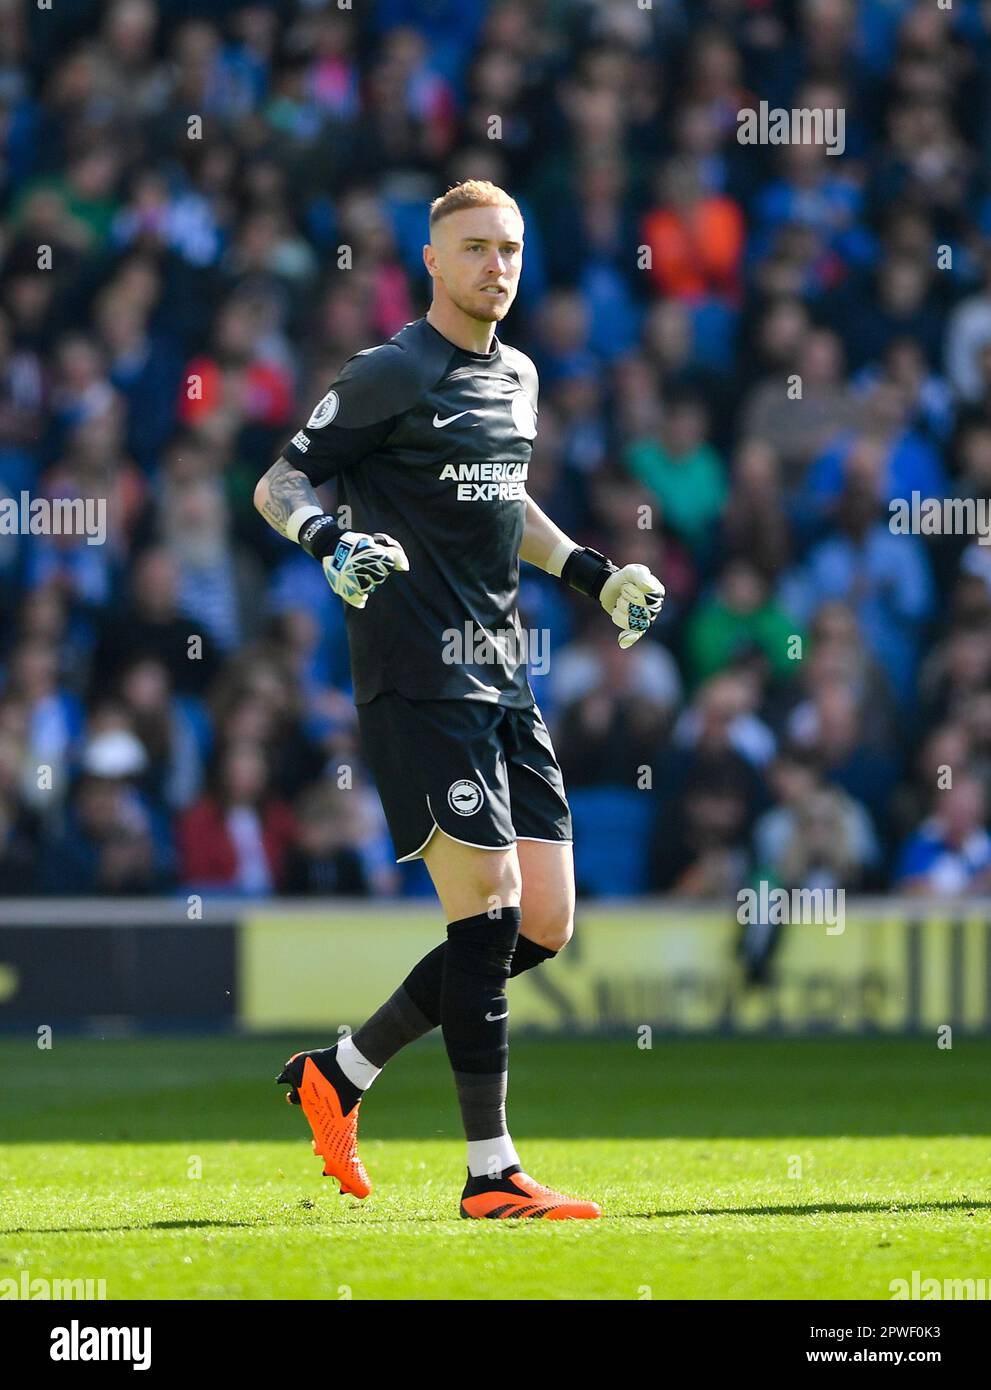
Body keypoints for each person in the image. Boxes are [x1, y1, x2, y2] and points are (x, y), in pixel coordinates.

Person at [253, 179, 664, 1220]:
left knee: (545, 923)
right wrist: (329, 541)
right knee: (486, 911)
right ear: (430, 262)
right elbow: (280, 482)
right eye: (476, 248)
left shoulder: (519, 376)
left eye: (512, 248)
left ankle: (339, 1072)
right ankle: (491, 1172)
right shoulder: (391, 372)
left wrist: (593, 573)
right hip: (417, 674)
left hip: (503, 675)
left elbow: (503, 499)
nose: (498, 266)